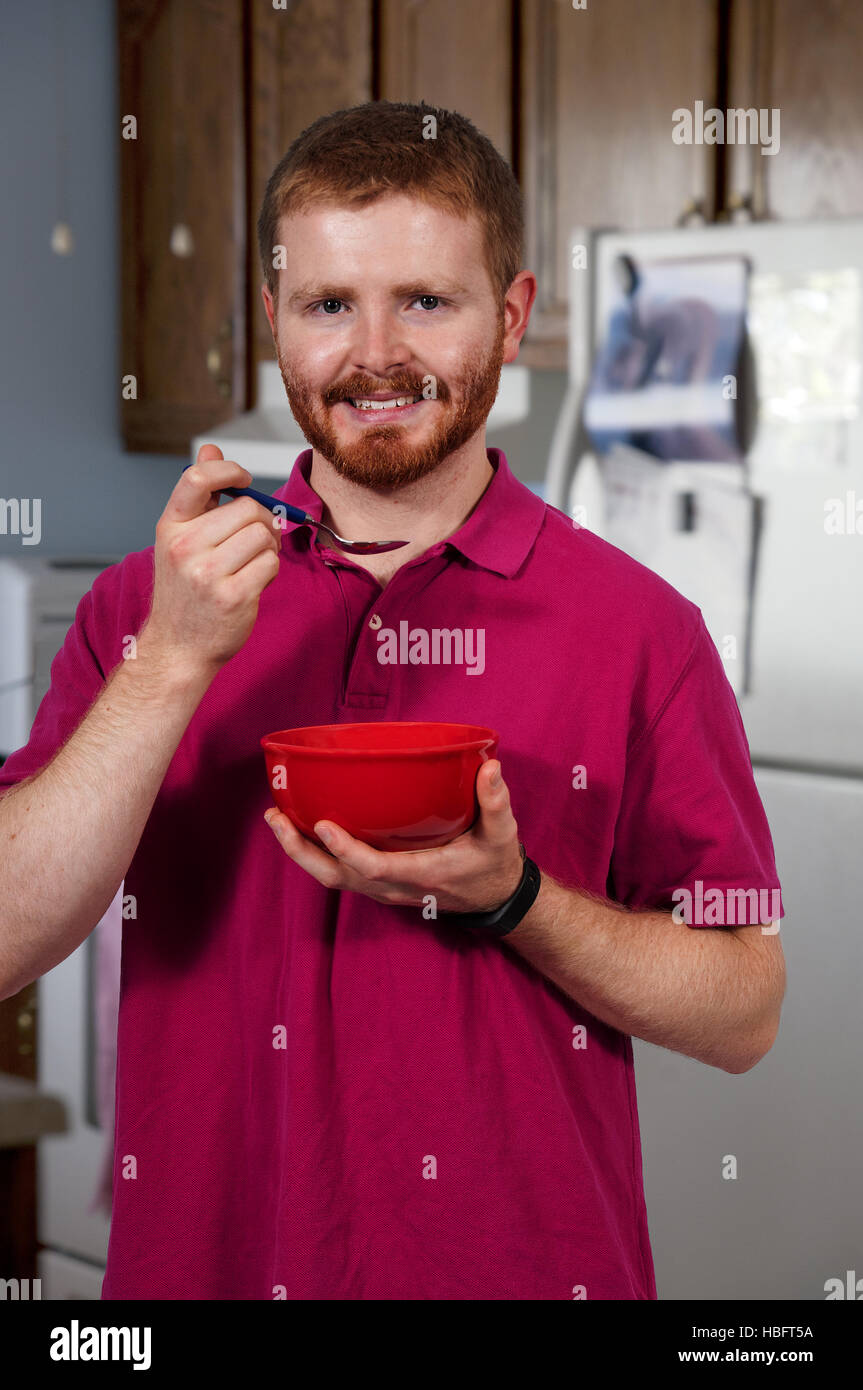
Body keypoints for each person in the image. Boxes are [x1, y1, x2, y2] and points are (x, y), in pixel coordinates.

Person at [0, 100, 785, 1300]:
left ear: (510, 315)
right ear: (273, 321)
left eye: (424, 300)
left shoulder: (642, 633)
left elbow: (743, 1009)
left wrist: (515, 899)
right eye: (327, 305)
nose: (373, 354)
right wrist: (171, 662)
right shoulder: (146, 608)